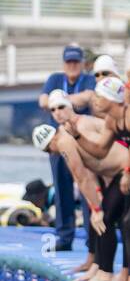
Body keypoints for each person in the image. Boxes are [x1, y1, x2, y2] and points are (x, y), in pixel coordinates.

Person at [39, 44, 96, 251]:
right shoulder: (55, 78)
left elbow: (89, 96)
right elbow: (43, 100)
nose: (72, 65)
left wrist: (60, 100)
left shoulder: (88, 79)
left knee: (87, 187)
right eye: (69, 62)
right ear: (64, 64)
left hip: (83, 144)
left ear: (82, 63)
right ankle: (64, 237)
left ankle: (93, 239)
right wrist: (64, 101)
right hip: (59, 144)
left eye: (75, 62)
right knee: (62, 190)